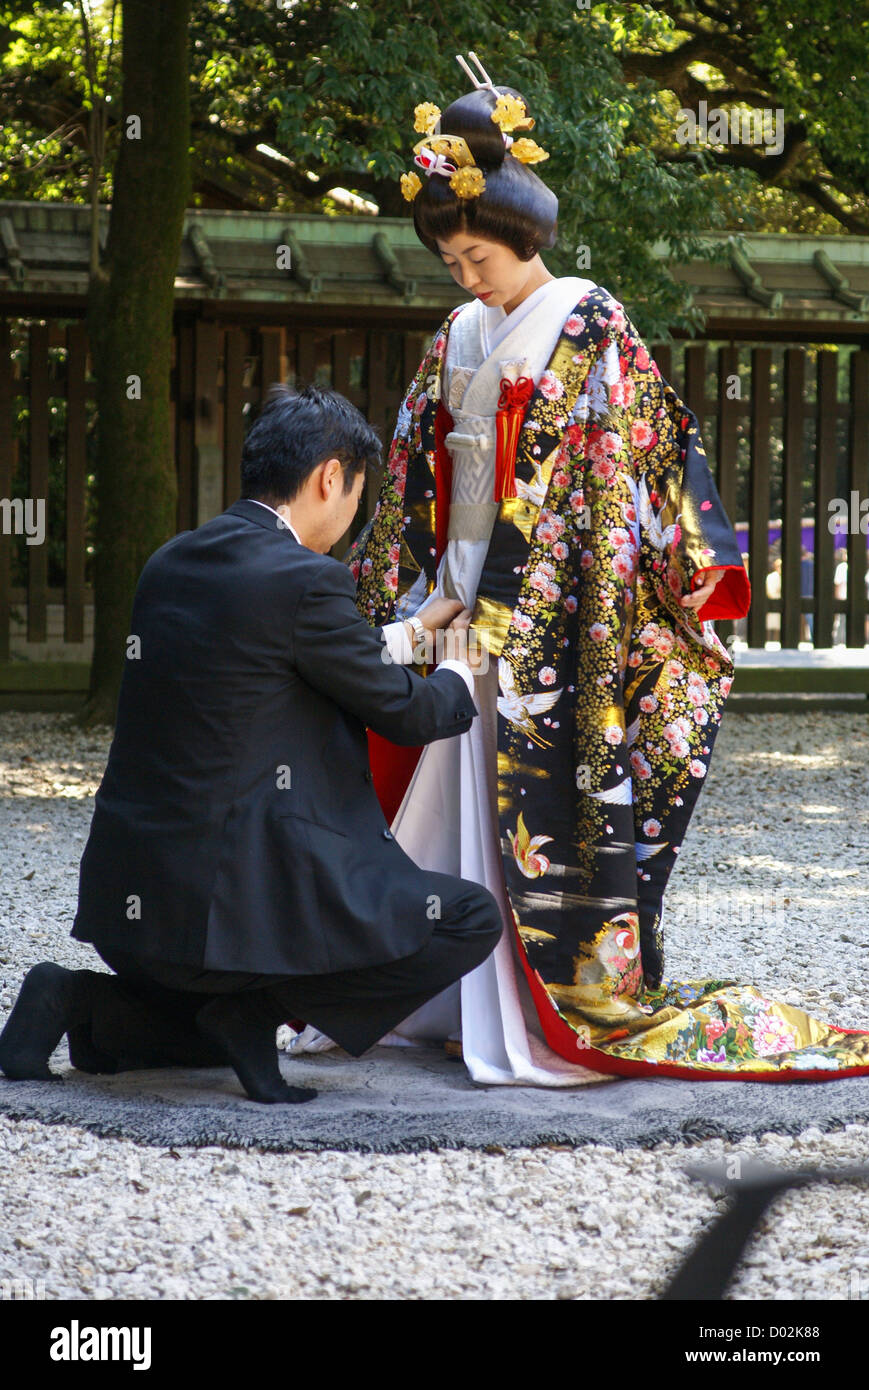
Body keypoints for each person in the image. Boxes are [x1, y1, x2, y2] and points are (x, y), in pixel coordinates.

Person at [329, 51, 869, 1082]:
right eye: (451, 260)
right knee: (438, 798)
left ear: (522, 235)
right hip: (460, 577)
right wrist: (422, 587)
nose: (465, 275)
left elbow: (632, 460)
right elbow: (416, 462)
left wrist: (510, 598)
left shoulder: (588, 318)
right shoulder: (457, 333)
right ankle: (427, 993)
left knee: (515, 801)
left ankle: (535, 1007)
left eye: (477, 256)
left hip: (551, 604)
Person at [0, 385, 502, 1103]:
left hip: (136, 914)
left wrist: (407, 634)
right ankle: (255, 1013)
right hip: (237, 917)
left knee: (200, 1036)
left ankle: (75, 1000)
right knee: (466, 916)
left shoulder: (172, 561)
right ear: (332, 477)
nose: (352, 515)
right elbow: (408, 715)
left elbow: (272, 660)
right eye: (357, 494)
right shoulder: (305, 580)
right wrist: (458, 663)